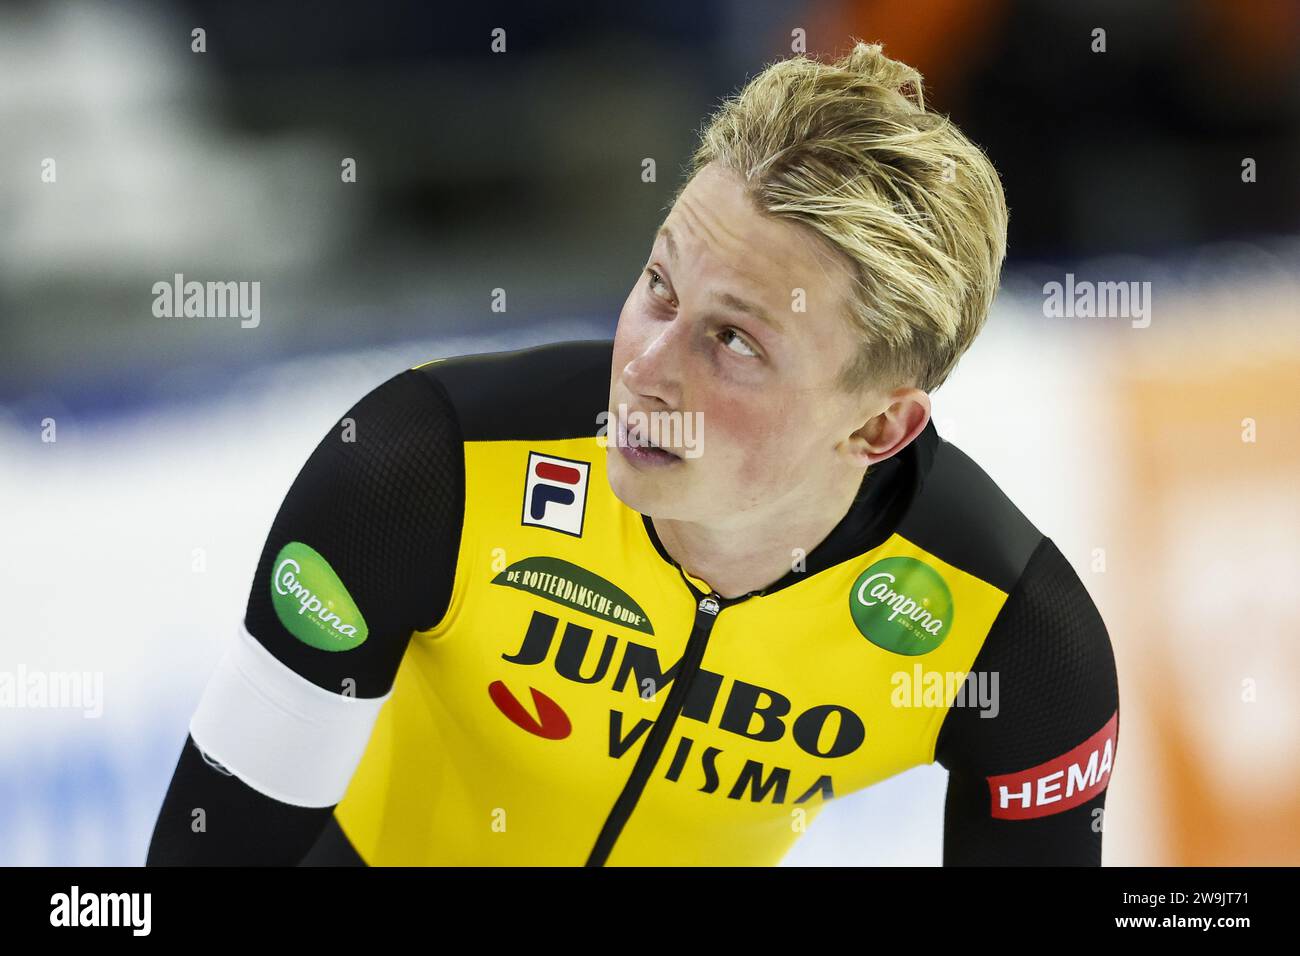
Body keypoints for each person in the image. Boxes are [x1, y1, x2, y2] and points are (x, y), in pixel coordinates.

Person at [147, 41, 1118, 867]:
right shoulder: (421, 470)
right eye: (659, 285)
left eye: (734, 341)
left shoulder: (1012, 635)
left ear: (876, 429)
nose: (646, 369)